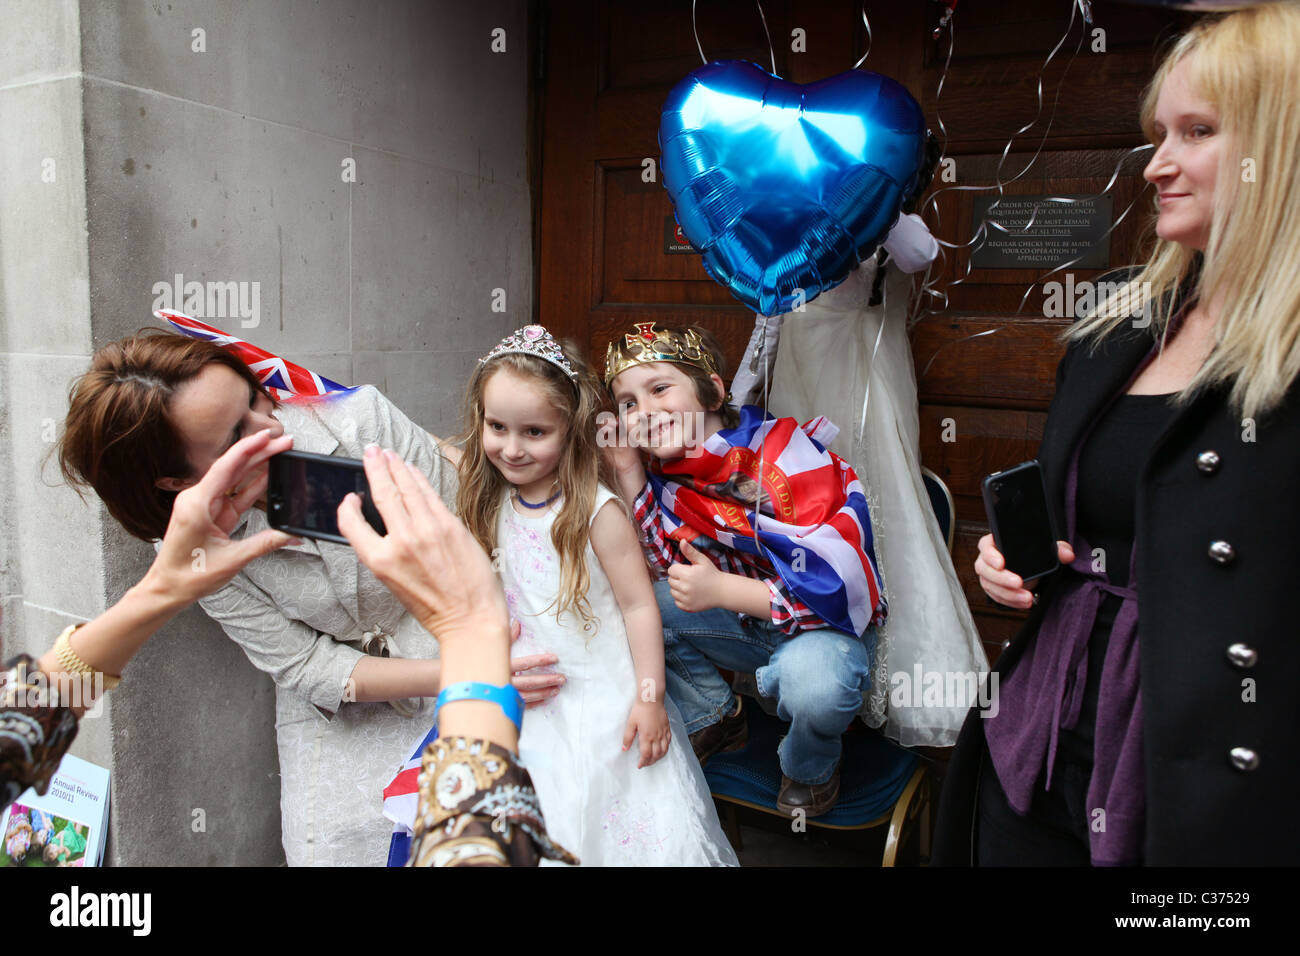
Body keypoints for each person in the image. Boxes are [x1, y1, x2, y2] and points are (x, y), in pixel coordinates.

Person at [933, 4, 1300, 866]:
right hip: (1039, 740)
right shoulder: (1122, 318)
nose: (1156, 166)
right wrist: (1014, 566)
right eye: (1157, 135)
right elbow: (1084, 524)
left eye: (1197, 132)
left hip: (1210, 773)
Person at [56, 331, 564, 865]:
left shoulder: (356, 419)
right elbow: (304, 663)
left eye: (256, 398)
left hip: (481, 641)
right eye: (236, 437)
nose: (272, 428)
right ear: (174, 481)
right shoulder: (187, 546)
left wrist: (474, 659)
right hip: (344, 701)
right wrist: (454, 671)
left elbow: (476, 533)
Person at [438, 324, 737, 865]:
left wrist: (649, 698)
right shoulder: (486, 500)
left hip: (605, 702)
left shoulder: (596, 513)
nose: (511, 448)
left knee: (608, 823)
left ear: (570, 429)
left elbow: (640, 605)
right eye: (497, 427)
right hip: (527, 698)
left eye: (534, 432)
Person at [604, 322, 888, 817]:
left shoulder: (784, 457)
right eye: (627, 403)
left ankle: (810, 768)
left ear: (713, 391)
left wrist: (722, 589)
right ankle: (717, 714)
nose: (643, 411)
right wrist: (628, 472)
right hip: (744, 621)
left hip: (824, 628)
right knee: (633, 613)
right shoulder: (668, 476)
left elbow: (841, 585)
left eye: (659, 388)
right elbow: (667, 568)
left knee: (815, 686)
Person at [729, 225, 988, 749]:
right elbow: (770, 316)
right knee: (790, 510)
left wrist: (870, 193)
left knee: (868, 509)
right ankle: (804, 669)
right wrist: (741, 397)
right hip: (794, 382)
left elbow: (920, 254)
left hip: (858, 380)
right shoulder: (786, 200)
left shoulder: (876, 192)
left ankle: (865, 679)